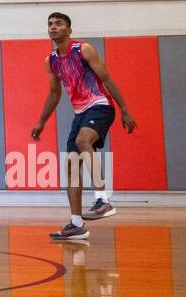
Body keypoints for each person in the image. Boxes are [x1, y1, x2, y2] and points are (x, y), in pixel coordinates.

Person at [30, 12, 137, 241]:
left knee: (82, 140)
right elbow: (54, 93)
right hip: (80, 113)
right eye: (50, 24)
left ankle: (102, 199)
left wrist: (124, 109)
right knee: (71, 165)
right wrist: (41, 121)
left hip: (100, 105)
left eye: (58, 24)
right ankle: (76, 224)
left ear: (69, 30)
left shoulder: (83, 50)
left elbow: (106, 79)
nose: (53, 27)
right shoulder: (51, 61)